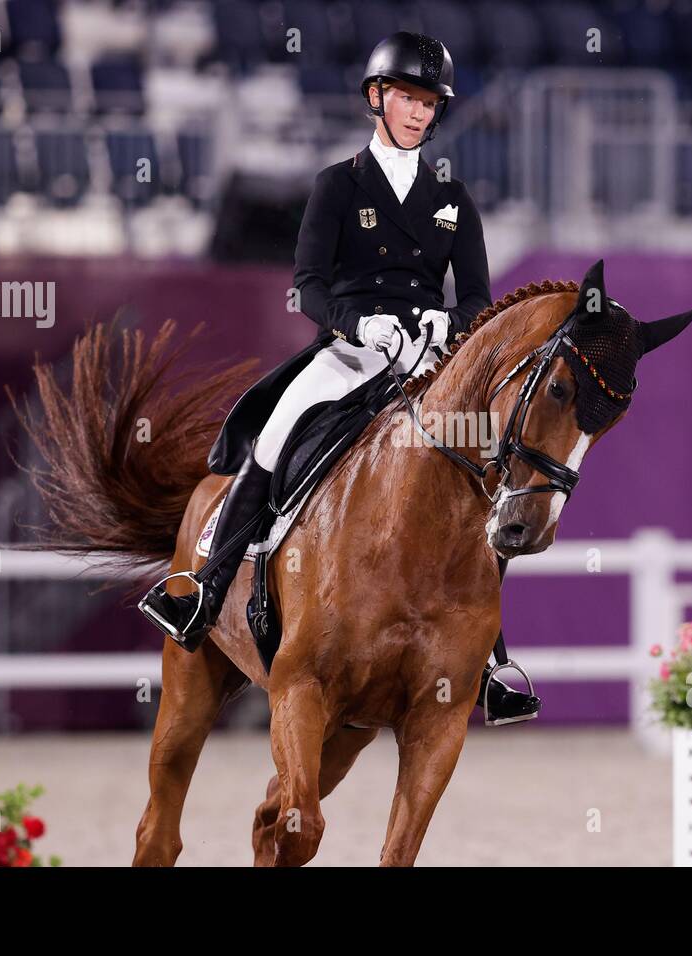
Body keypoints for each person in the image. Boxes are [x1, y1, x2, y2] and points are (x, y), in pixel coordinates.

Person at [140, 32, 540, 724]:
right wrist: (361, 327)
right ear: (377, 98)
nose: (418, 112)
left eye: (428, 102)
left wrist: (452, 326)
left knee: (483, 472)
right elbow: (309, 287)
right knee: (275, 437)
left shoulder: (451, 195)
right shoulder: (337, 185)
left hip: (427, 360)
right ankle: (202, 591)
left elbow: (478, 294)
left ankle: (493, 658)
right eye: (408, 98)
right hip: (349, 354)